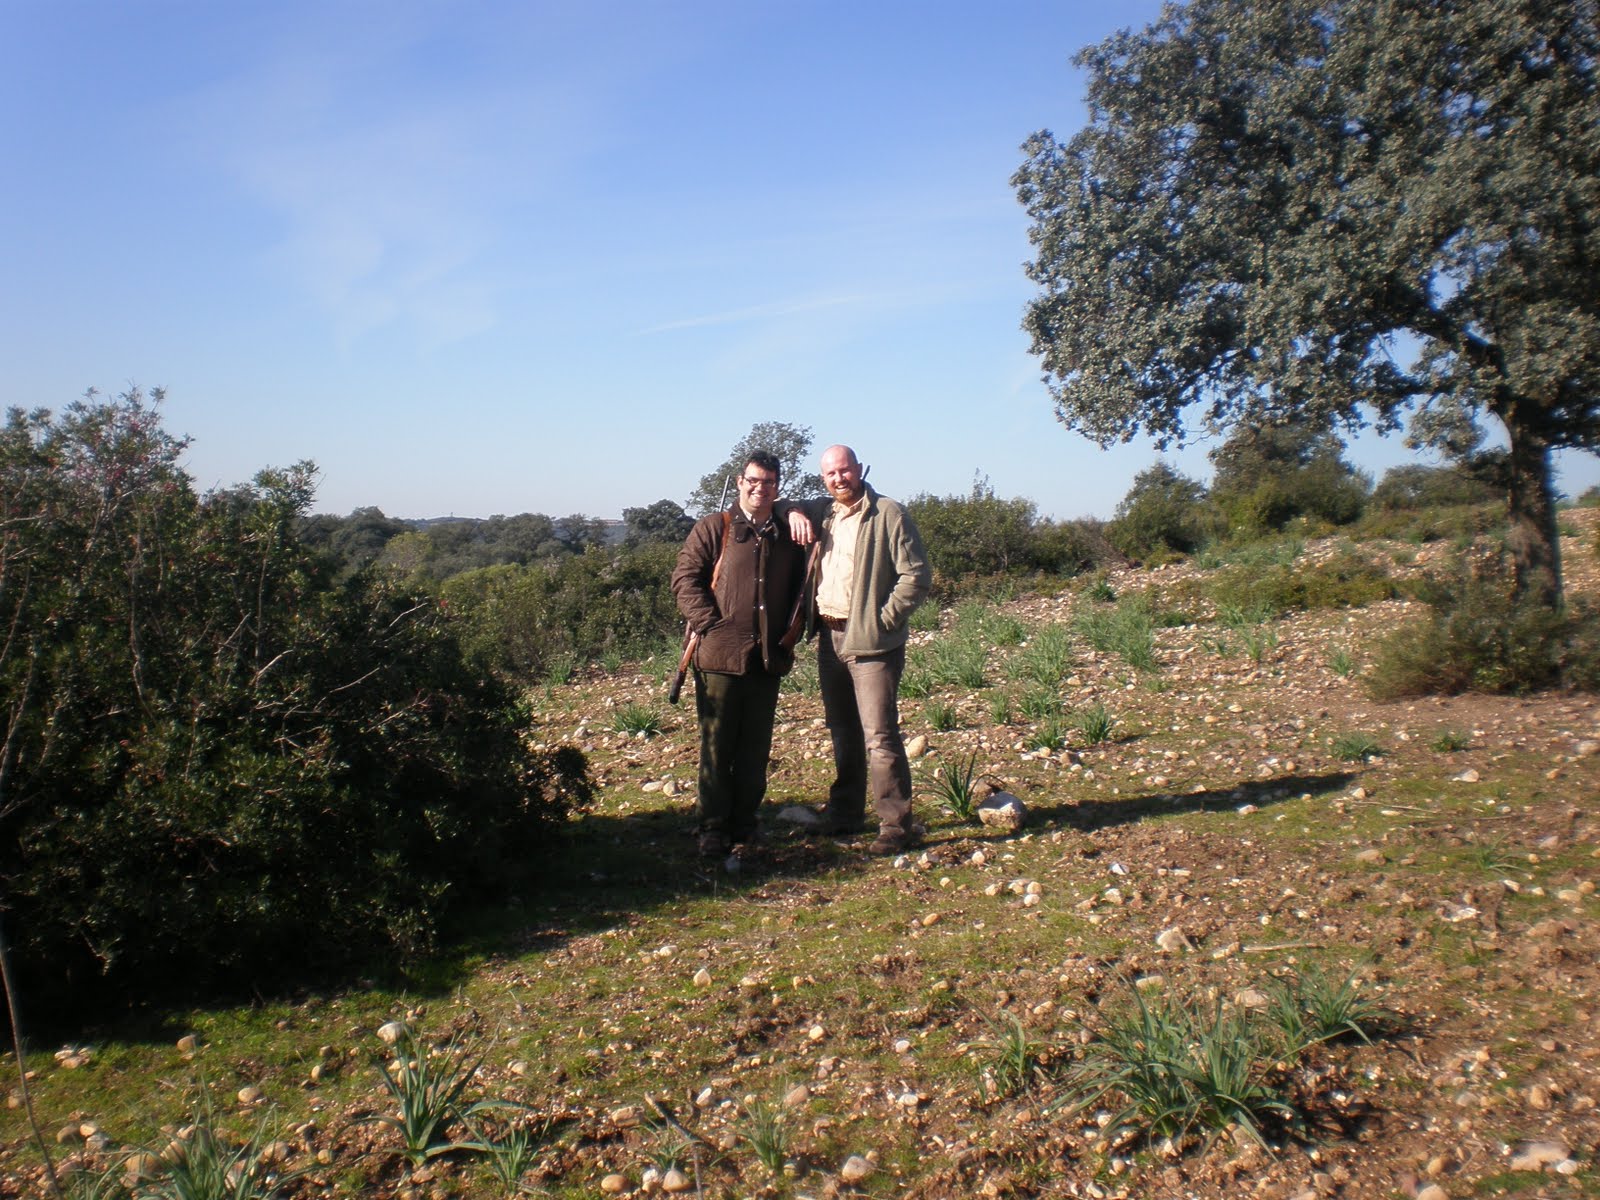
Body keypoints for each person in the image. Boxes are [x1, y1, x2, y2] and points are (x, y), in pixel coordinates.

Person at [788, 444, 931, 854]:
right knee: (842, 732)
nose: (839, 479)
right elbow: (783, 503)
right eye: (831, 474)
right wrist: (794, 512)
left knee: (880, 737)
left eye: (844, 471)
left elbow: (916, 576)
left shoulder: (888, 513)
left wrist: (883, 622)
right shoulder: (826, 513)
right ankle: (846, 814)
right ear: (824, 480)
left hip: (871, 642)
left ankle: (895, 827)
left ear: (859, 469)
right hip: (830, 639)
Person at [671, 451, 806, 868]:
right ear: (739, 481)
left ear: (777, 487)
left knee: (755, 749)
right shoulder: (716, 527)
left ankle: (746, 824)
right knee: (717, 745)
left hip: (767, 659)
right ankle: (713, 828)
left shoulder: (787, 533)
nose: (759, 488)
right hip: (718, 659)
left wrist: (790, 635)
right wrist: (710, 624)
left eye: (768, 482)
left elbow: (804, 586)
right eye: (753, 480)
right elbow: (684, 578)